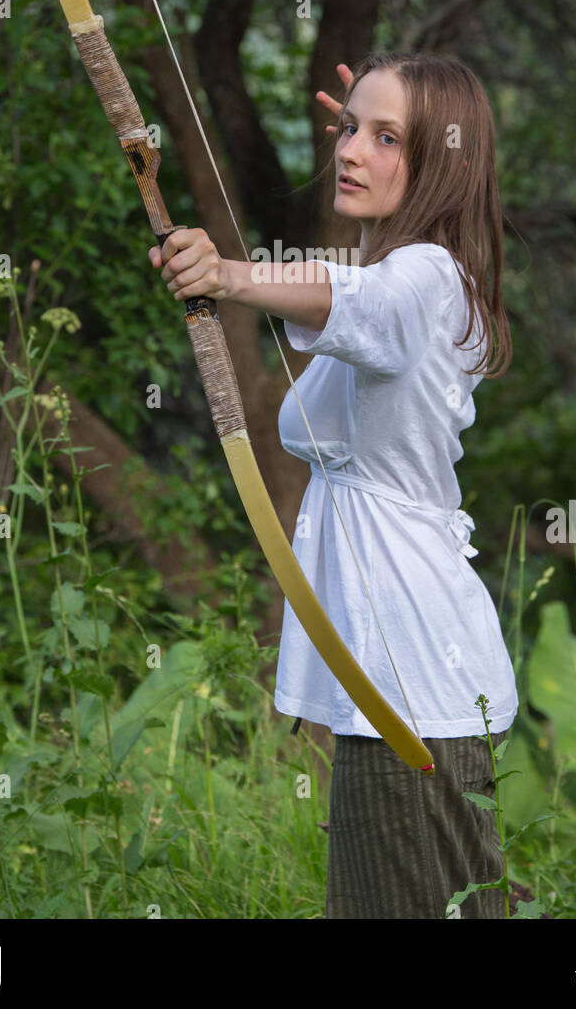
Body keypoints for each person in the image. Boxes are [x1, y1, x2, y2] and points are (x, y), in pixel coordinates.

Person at [150, 51, 519, 918]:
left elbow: (366, 302)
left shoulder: (424, 279)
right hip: (405, 673)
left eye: (388, 138)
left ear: (441, 162)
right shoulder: (419, 269)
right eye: (350, 129)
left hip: (408, 671)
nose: (351, 150)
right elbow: (358, 292)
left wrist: (228, 276)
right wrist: (382, 139)